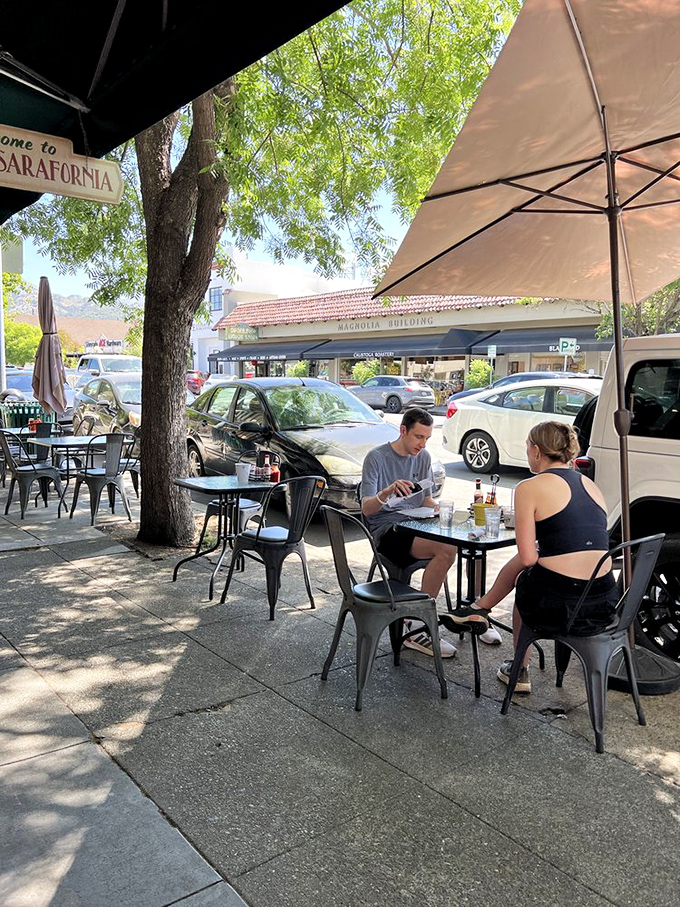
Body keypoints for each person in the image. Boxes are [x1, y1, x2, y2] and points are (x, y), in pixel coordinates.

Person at [448, 421, 618, 693]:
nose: (527, 454)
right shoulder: (589, 484)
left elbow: (527, 558)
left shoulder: (530, 487)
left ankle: (519, 667)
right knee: (535, 574)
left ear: (537, 451)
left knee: (528, 582)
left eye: (527, 448)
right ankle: (481, 609)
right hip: (604, 601)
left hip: (562, 605)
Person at [362, 407, 466, 658]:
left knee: (464, 540)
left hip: (416, 523)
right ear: (403, 431)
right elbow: (366, 508)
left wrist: (441, 508)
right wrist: (387, 492)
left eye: (427, 438)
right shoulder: (376, 458)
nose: (423, 443)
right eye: (419, 437)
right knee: (446, 549)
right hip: (386, 529)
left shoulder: (424, 458)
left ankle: (472, 612)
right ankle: (417, 625)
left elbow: (426, 500)